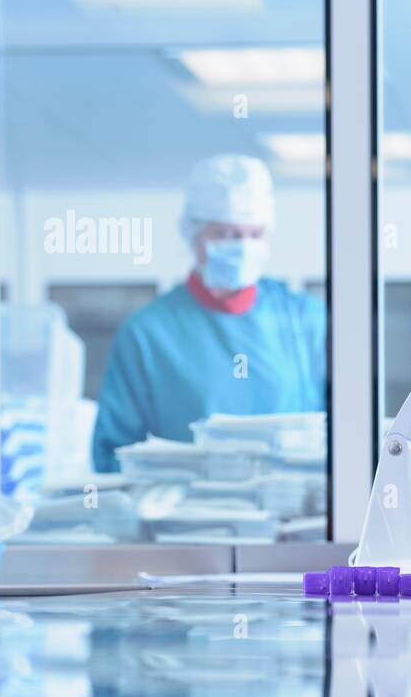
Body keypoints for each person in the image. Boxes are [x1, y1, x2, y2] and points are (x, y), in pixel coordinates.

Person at [92, 154, 325, 472]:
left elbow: (345, 431)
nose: (242, 247)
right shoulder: (147, 334)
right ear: (193, 234)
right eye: (226, 235)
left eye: (254, 234)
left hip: (292, 513)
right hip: (185, 517)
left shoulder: (304, 320)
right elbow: (113, 455)